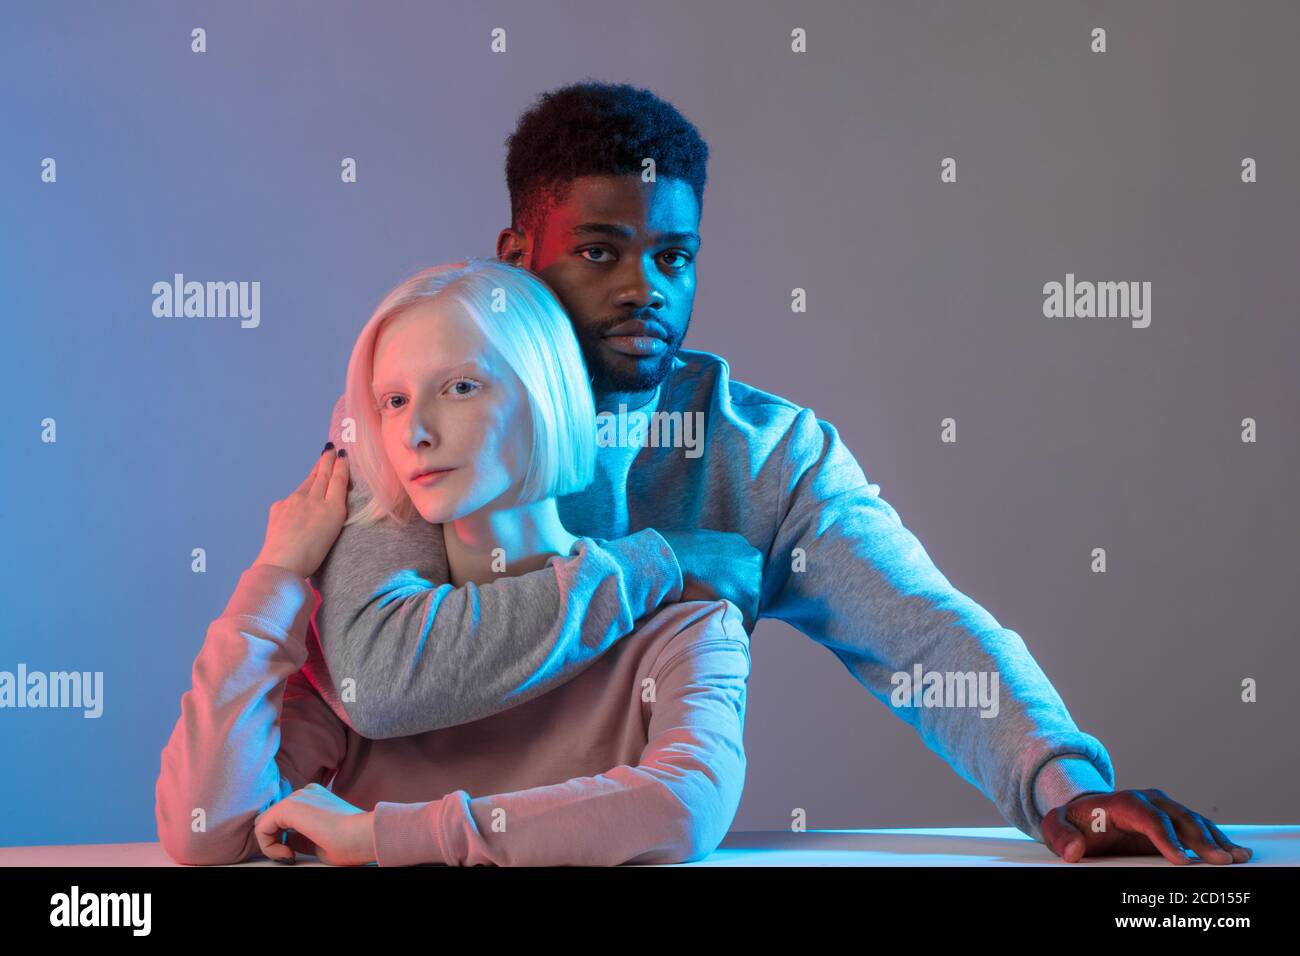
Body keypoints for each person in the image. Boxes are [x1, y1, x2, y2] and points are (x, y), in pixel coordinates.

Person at [304, 80, 1251, 866]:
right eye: (600, 252)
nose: (647, 288)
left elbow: (922, 634)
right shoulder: (422, 417)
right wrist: (657, 561)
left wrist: (1064, 788)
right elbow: (378, 677)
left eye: (675, 256)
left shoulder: (765, 455)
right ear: (518, 257)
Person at [155, 258, 751, 866]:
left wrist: (383, 837)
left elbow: (681, 806)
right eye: (392, 400)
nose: (415, 430)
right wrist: (274, 576)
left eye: (460, 387)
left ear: (546, 394)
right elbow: (207, 832)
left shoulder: (684, 627)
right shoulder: (356, 655)